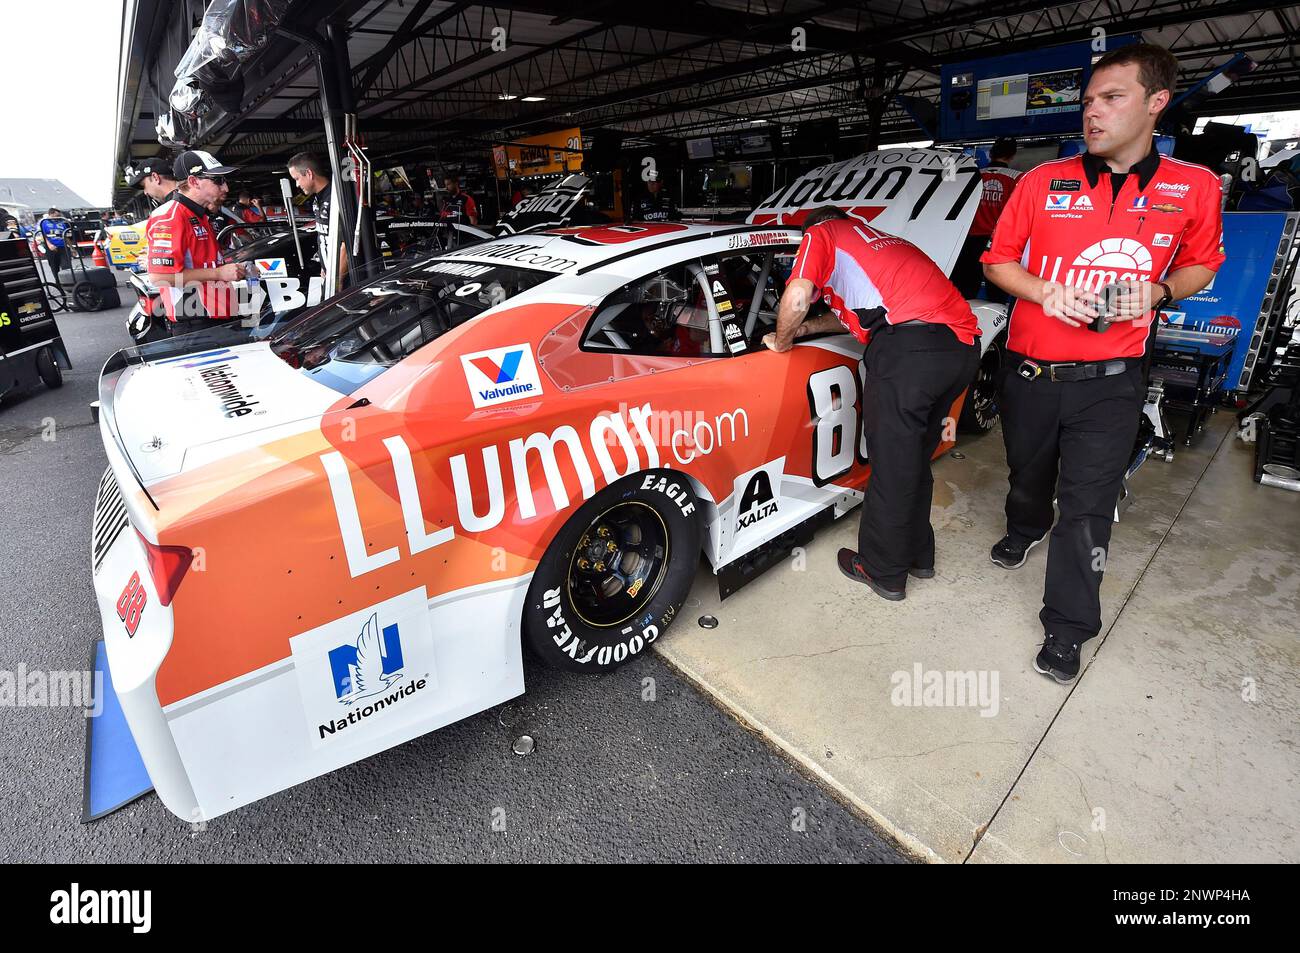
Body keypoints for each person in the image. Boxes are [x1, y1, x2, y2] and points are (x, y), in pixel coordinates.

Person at [981, 43, 1224, 683]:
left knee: (1087, 507)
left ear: (1156, 102)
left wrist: (1161, 290)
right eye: (1089, 101)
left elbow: (1203, 263)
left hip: (1113, 381)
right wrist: (1044, 292)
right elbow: (996, 262)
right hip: (1030, 372)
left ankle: (1067, 628)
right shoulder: (1041, 181)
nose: (1093, 112)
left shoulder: (1194, 187)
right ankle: (1024, 526)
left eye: (1112, 98)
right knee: (1027, 476)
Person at [764, 205, 980, 601]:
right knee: (912, 459)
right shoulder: (881, 242)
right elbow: (864, 311)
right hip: (960, 350)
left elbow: (797, 296)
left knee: (892, 465)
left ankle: (883, 571)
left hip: (910, 354)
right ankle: (919, 555)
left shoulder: (822, 233)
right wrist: (810, 327)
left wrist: (782, 341)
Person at [146, 150, 247, 337]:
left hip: (217, 317)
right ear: (193, 181)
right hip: (196, 323)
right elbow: (159, 277)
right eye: (218, 181)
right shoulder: (169, 216)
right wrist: (219, 273)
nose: (226, 188)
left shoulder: (200, 214)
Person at [952, 138, 1020, 301]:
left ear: (990, 153)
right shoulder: (1018, 178)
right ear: (1012, 155)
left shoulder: (974, 176)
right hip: (997, 243)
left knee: (965, 291)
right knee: (997, 292)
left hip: (969, 241)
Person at [287, 152, 345, 282]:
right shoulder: (317, 199)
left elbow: (346, 245)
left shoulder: (335, 199)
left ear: (309, 173)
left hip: (343, 278)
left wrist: (336, 280)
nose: (297, 185)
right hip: (329, 274)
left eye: (297, 179)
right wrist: (325, 266)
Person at [38, 209, 72, 284]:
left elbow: (65, 236)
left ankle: (69, 282)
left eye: (59, 215)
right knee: (54, 267)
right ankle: (58, 284)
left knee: (66, 266)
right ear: (51, 214)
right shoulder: (44, 222)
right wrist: (49, 245)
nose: (58, 217)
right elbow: (43, 235)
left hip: (63, 247)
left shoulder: (61, 223)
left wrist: (72, 248)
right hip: (51, 248)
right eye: (57, 215)